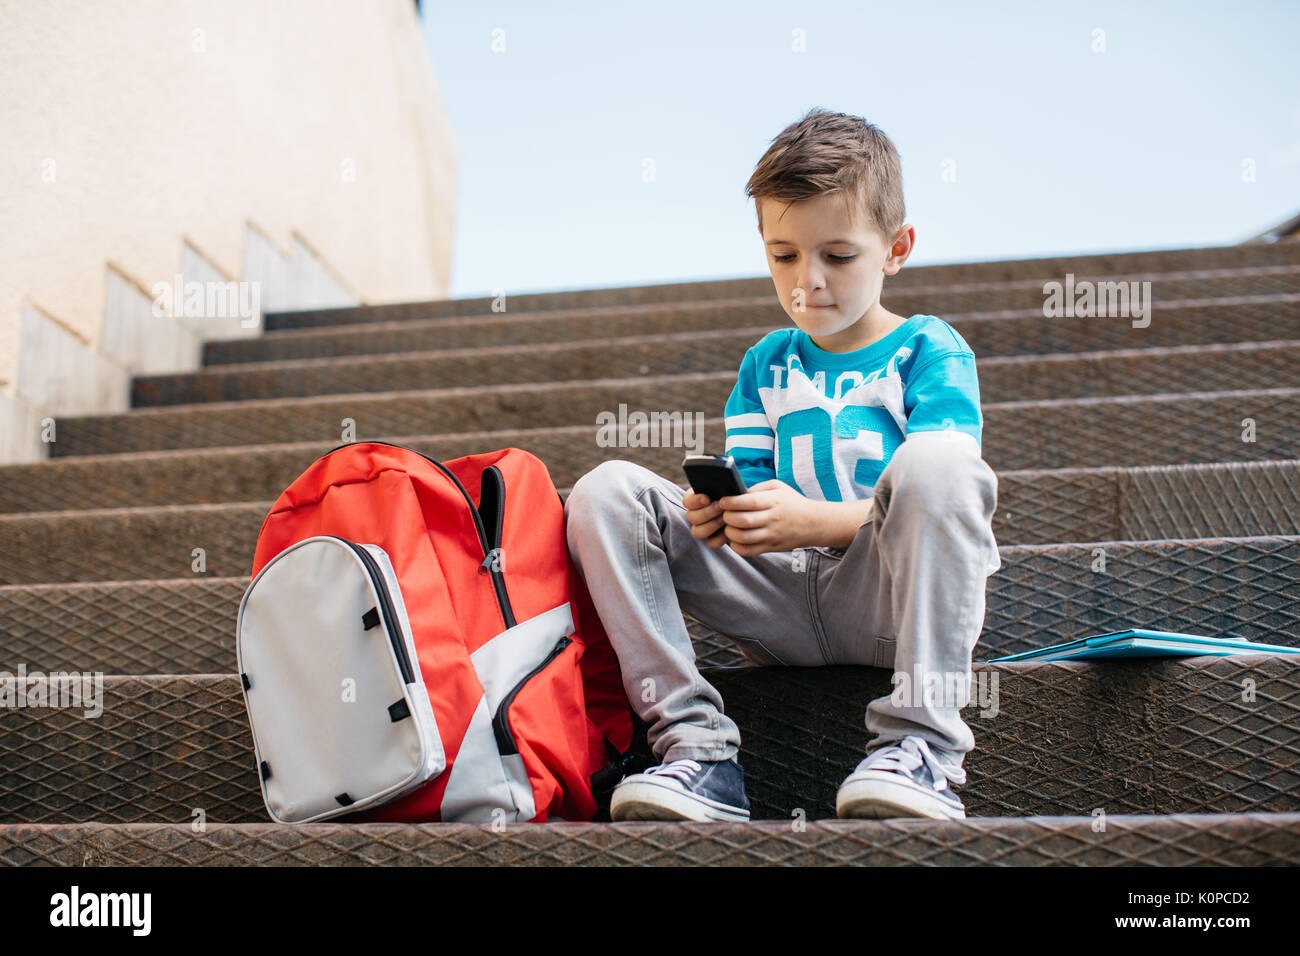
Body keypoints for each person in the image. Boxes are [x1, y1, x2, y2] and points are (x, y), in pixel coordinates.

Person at [563, 107, 1000, 822]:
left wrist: (815, 521)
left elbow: (948, 498)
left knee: (939, 466)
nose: (809, 281)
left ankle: (923, 748)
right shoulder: (766, 362)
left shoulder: (929, 350)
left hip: (882, 595)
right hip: (777, 604)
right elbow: (755, 487)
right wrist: (723, 516)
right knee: (604, 490)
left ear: (896, 248)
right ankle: (695, 750)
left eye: (838, 255)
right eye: (784, 255)